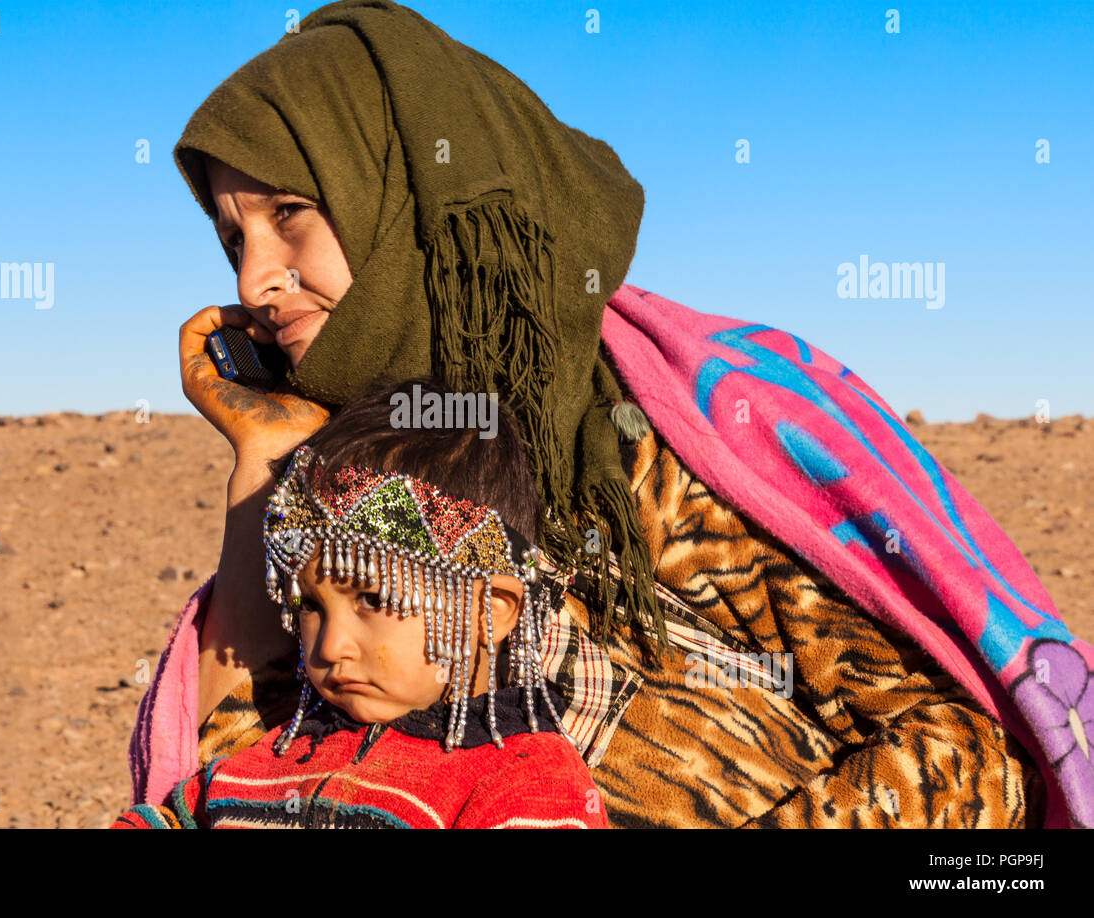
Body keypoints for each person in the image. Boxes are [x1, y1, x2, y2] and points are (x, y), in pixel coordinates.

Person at [129, 0, 1093, 828]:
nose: (257, 279)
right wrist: (262, 460)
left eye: (291, 214)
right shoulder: (342, 483)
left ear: (407, 196)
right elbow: (242, 783)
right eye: (232, 237)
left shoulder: (658, 440)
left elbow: (966, 761)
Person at [115, 376, 607, 828]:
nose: (330, 647)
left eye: (372, 598)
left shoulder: (526, 787)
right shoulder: (272, 757)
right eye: (309, 605)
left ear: (492, 609)